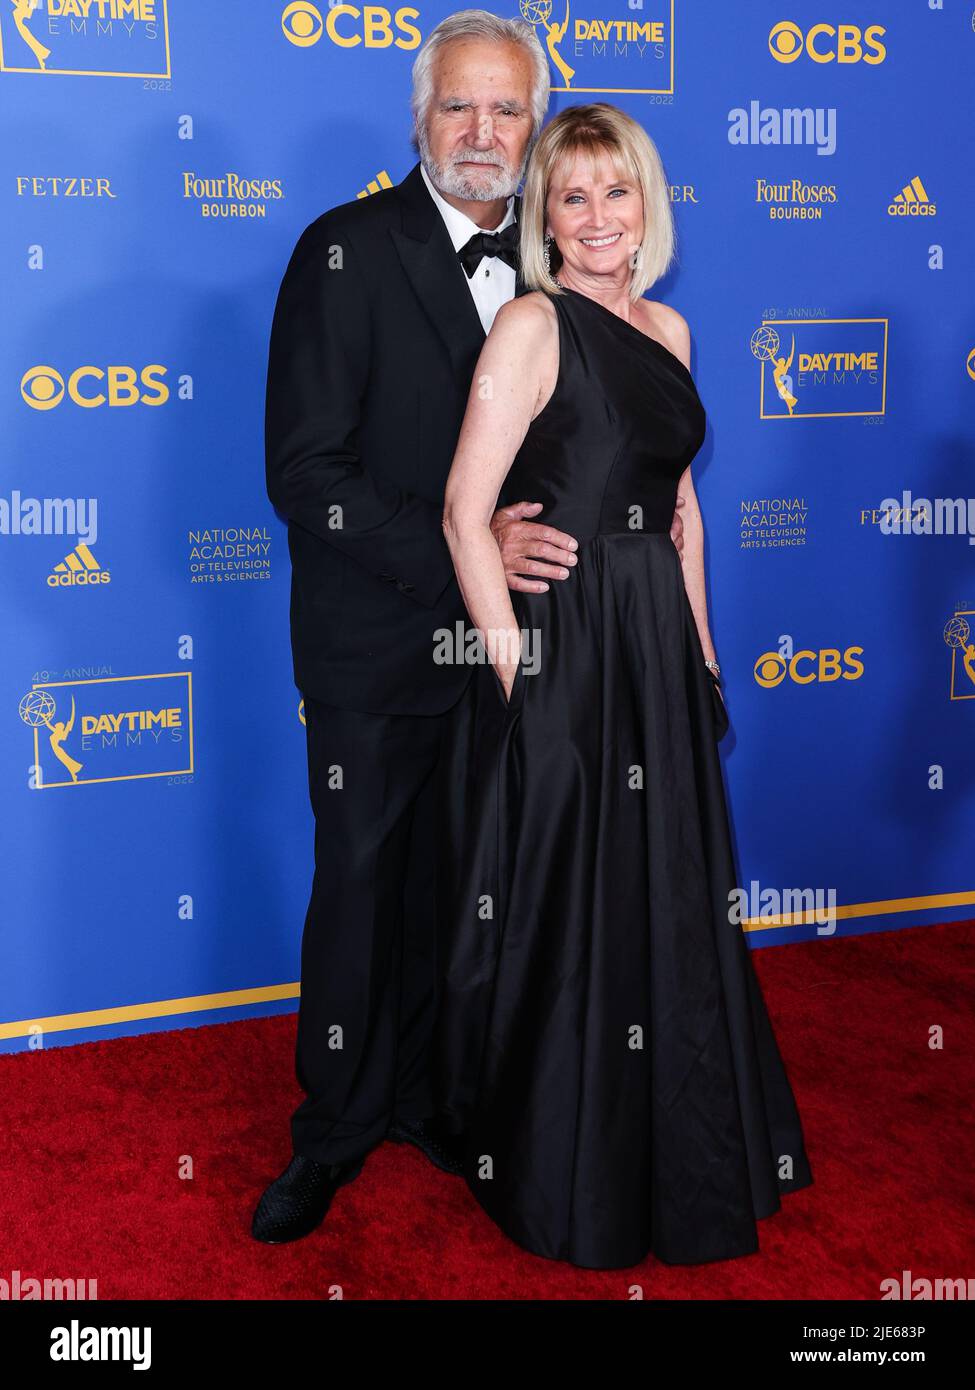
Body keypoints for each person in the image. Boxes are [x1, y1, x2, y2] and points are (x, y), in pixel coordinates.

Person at [255, 13, 686, 1245]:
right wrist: (467, 554)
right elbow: (307, 472)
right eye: (461, 108)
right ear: (420, 121)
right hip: (377, 649)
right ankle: (334, 1126)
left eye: (509, 112)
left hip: (523, 653)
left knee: (475, 894)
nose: (486, 133)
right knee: (359, 890)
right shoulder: (341, 251)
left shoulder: (560, 279)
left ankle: (448, 1103)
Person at [436, 102, 814, 1269]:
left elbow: (683, 507)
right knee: (568, 896)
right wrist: (519, 677)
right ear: (545, 217)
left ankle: (678, 1148)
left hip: (654, 641)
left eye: (619, 192)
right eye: (573, 196)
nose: (599, 219)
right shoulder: (531, 330)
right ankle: (559, 1160)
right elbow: (463, 513)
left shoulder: (675, 329)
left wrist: (702, 650)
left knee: (670, 893)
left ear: (648, 204)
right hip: (571, 638)